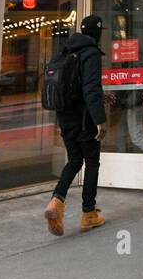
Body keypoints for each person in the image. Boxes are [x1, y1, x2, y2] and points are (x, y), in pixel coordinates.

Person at [44, 15, 108, 236]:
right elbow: (90, 89)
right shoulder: (90, 54)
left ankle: (56, 201)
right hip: (84, 120)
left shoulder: (65, 51)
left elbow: (64, 88)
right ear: (97, 32)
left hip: (66, 118)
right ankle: (89, 213)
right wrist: (100, 120)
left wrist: (59, 122)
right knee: (91, 162)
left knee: (74, 160)